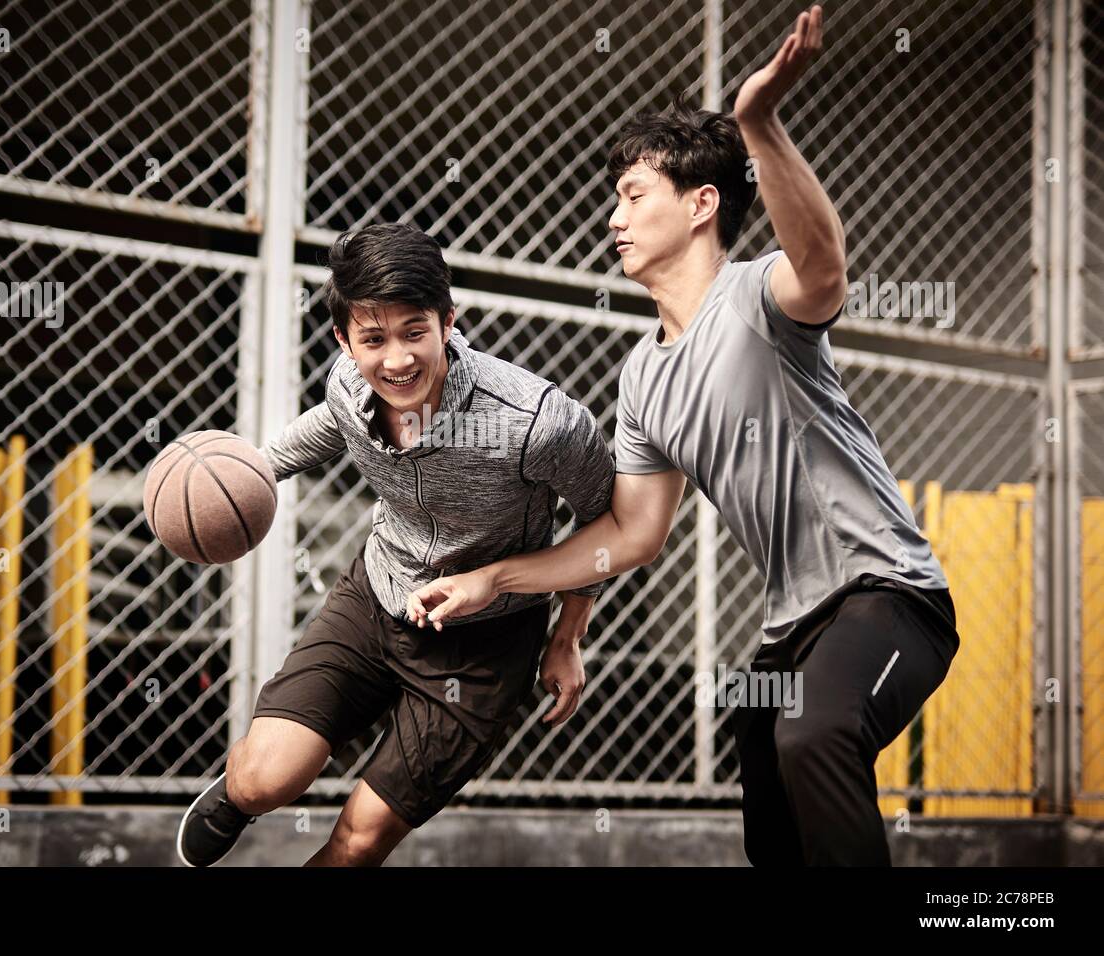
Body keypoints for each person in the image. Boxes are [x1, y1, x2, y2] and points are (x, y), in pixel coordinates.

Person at [406, 6, 960, 866]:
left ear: (703, 204)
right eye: (615, 201)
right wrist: (498, 582)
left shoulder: (755, 299)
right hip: (793, 626)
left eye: (633, 196)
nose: (613, 220)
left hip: (892, 598)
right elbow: (631, 535)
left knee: (814, 734)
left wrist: (757, 123)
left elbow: (823, 266)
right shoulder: (644, 379)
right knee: (766, 760)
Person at [176, 222, 614, 866]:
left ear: (448, 321)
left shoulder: (535, 421)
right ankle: (238, 793)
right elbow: (335, 423)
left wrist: (568, 632)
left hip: (485, 646)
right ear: (344, 340)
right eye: (373, 339)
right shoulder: (349, 385)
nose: (398, 360)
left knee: (358, 840)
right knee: (264, 779)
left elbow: (607, 516)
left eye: (416, 332)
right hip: (377, 597)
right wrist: (252, 473)